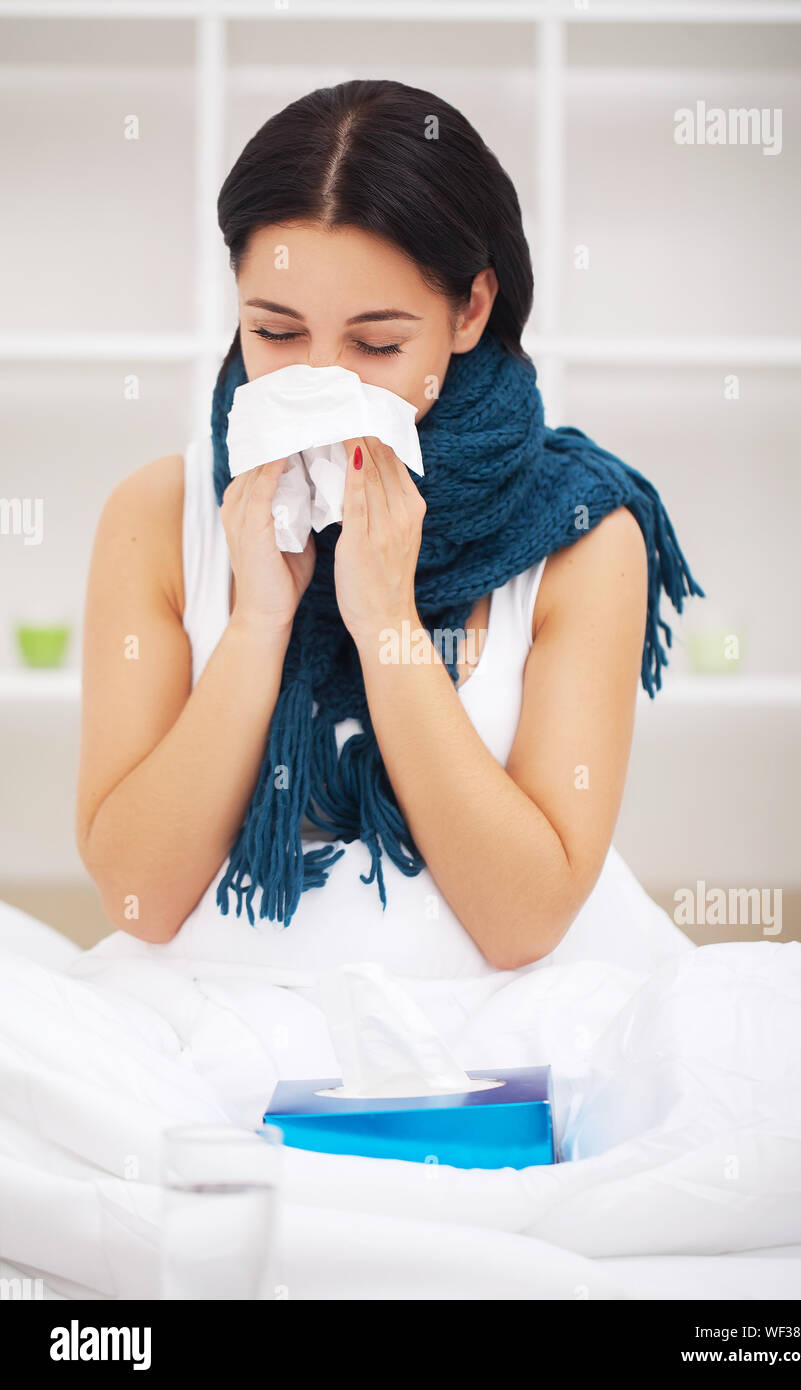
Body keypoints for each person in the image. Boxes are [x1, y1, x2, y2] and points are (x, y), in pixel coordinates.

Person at [75, 78, 700, 982]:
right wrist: (258, 624)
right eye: (277, 332)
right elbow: (140, 894)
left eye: (375, 346)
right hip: (220, 1020)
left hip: (507, 1043)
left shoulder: (580, 537)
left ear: (470, 310)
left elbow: (523, 920)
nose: (319, 384)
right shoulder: (157, 515)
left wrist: (388, 627)